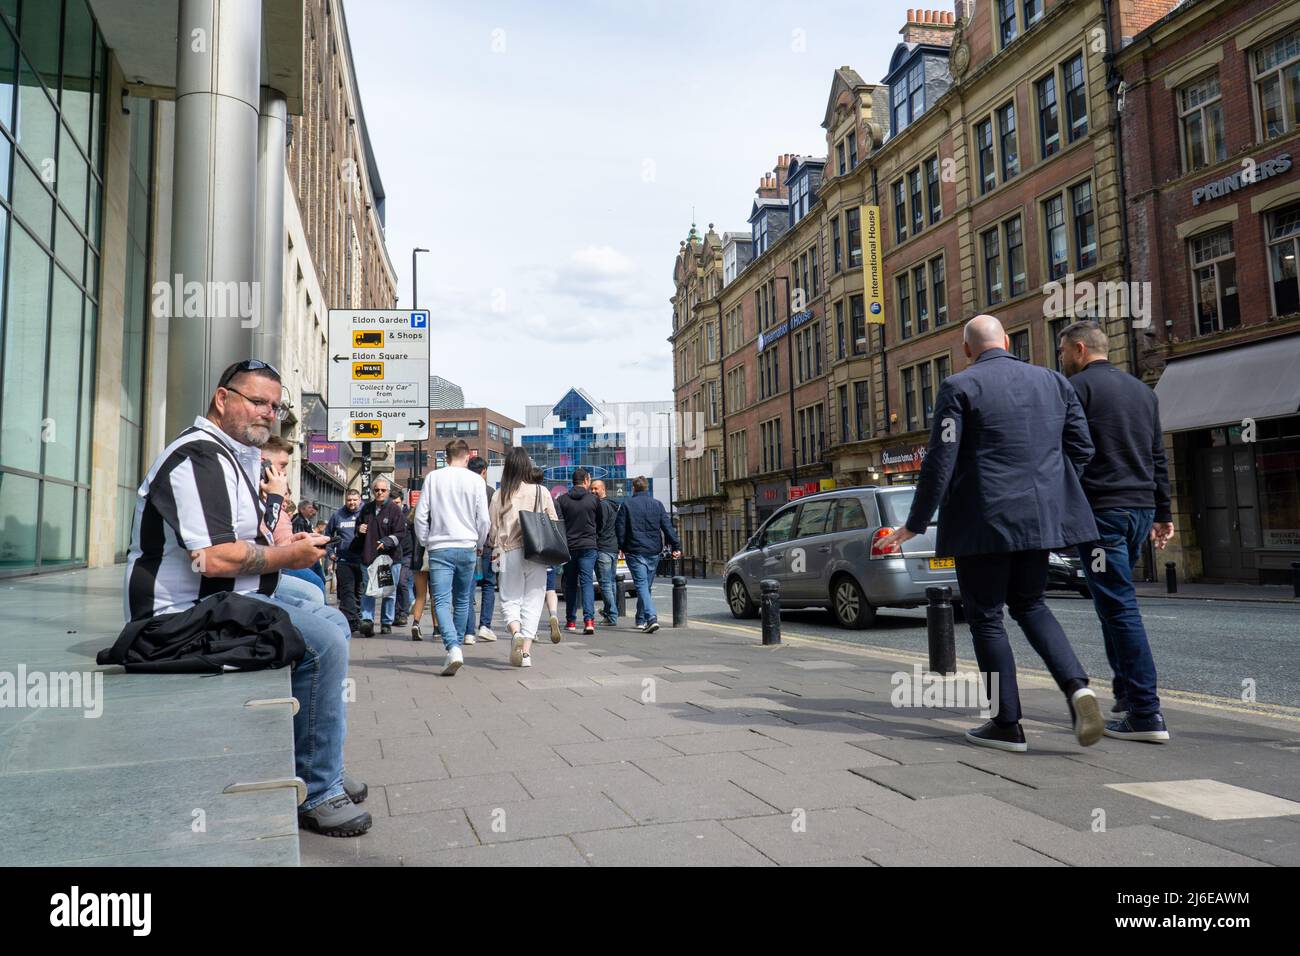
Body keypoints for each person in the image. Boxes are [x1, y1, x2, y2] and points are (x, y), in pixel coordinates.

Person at [123, 358, 370, 837]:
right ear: (222, 399)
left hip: (219, 601)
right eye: (257, 401)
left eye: (275, 407)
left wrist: (286, 551)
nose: (268, 414)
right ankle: (318, 792)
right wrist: (288, 557)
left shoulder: (233, 455)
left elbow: (248, 541)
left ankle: (320, 759)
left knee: (334, 621)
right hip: (176, 619)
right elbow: (213, 559)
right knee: (324, 641)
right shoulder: (198, 456)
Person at [878, 315, 1103, 754]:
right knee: (1032, 605)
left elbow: (940, 461)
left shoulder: (959, 387)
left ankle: (1007, 723)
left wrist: (914, 524)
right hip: (1039, 521)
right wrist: (1048, 491)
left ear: (967, 350)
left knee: (986, 617)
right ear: (1006, 339)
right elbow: (1083, 448)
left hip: (983, 523)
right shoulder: (1055, 382)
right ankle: (1077, 688)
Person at [1059, 320, 1173, 743]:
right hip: (1139, 511)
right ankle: (1126, 696)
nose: (1062, 360)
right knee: (1111, 604)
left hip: (1102, 514)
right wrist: (1163, 512)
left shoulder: (1075, 390)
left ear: (1081, 349)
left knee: (1119, 605)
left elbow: (1068, 452)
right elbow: (1157, 455)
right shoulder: (1143, 392)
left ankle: (1147, 713)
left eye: (1064, 352)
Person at [414, 438, 491, 676]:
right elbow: (484, 520)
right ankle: (455, 646)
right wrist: (478, 543)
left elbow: (420, 516)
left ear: (445, 457)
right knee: (463, 600)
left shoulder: (433, 478)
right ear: (467, 456)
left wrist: (426, 540)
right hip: (467, 546)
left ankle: (453, 647)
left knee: (441, 601)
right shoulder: (476, 480)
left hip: (439, 546)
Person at [489, 447, 561, 667]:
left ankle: (515, 632)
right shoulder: (541, 491)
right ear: (527, 466)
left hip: (509, 551)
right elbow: (554, 522)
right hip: (537, 552)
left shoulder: (500, 494)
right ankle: (526, 653)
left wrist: (496, 543)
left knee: (509, 598)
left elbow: (492, 529)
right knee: (534, 600)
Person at [261, 435, 325, 603]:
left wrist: (300, 540)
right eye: (282, 465)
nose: (284, 473)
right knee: (314, 590)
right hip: (265, 572)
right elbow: (264, 537)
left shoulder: (270, 495)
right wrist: (274, 496)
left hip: (276, 566)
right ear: (263, 463)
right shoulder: (256, 495)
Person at [616, 475, 681, 633]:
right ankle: (641, 619)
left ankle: (650, 618)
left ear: (633, 488)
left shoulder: (627, 504)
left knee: (642, 585)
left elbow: (620, 529)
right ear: (647, 488)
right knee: (644, 585)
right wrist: (676, 546)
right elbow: (667, 526)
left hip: (635, 550)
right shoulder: (657, 504)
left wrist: (622, 546)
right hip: (653, 551)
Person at [354, 477, 405, 635]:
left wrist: (387, 541)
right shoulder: (366, 508)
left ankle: (386, 622)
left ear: (388, 492)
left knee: (389, 591)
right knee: (368, 590)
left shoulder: (394, 509)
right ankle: (367, 621)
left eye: (383, 490)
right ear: (372, 491)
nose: (380, 493)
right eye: (377, 490)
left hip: (390, 558)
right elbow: (359, 525)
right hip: (369, 555)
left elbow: (400, 533)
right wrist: (359, 529)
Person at [555, 467, 603, 634]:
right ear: (586, 481)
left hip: (569, 547)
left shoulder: (562, 500)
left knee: (570, 583)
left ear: (572, 481)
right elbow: (600, 522)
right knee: (586, 582)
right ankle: (589, 620)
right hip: (589, 545)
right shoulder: (593, 500)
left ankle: (571, 621)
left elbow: (559, 524)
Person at [463, 456, 498, 643]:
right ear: (484, 471)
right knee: (488, 585)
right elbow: (491, 522)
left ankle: (468, 632)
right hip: (487, 546)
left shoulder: (462, 490)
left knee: (468, 589)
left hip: (466, 544)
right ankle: (485, 626)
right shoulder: (490, 492)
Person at [530, 466, 564, 642]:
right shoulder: (547, 495)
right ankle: (553, 614)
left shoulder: (524, 493)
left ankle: (532, 629)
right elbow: (555, 520)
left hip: (529, 546)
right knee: (550, 588)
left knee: (532, 591)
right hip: (546, 546)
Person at [324, 489, 364, 637]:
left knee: (359, 592)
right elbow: (327, 536)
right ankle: (350, 622)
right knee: (346, 592)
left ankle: (359, 618)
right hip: (344, 560)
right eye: (349, 500)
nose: (352, 503)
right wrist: (330, 552)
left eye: (354, 500)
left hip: (362, 560)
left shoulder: (366, 513)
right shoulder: (338, 515)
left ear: (359, 499)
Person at [591, 479, 622, 627]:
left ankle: (611, 614)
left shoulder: (602, 505)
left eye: (596, 489)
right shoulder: (613, 505)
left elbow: (600, 527)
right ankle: (610, 612)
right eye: (591, 489)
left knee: (605, 584)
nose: (593, 491)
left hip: (603, 548)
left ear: (603, 489)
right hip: (612, 548)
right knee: (610, 582)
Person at [390, 487, 415, 628]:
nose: (395, 506)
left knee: (402, 583)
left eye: (397, 503)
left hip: (406, 554)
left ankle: (403, 614)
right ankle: (393, 614)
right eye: (392, 503)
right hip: (392, 555)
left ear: (402, 502)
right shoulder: (387, 513)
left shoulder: (408, 515)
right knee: (391, 585)